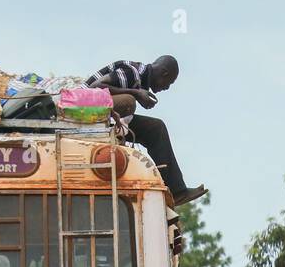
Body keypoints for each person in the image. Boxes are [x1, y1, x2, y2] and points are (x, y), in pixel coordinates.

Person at [85, 55, 206, 207]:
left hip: (105, 115)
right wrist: (136, 93)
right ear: (164, 73)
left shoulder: (138, 78)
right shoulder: (132, 72)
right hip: (85, 112)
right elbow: (95, 87)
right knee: (129, 101)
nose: (166, 88)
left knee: (156, 128)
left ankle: (177, 191)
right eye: (169, 83)